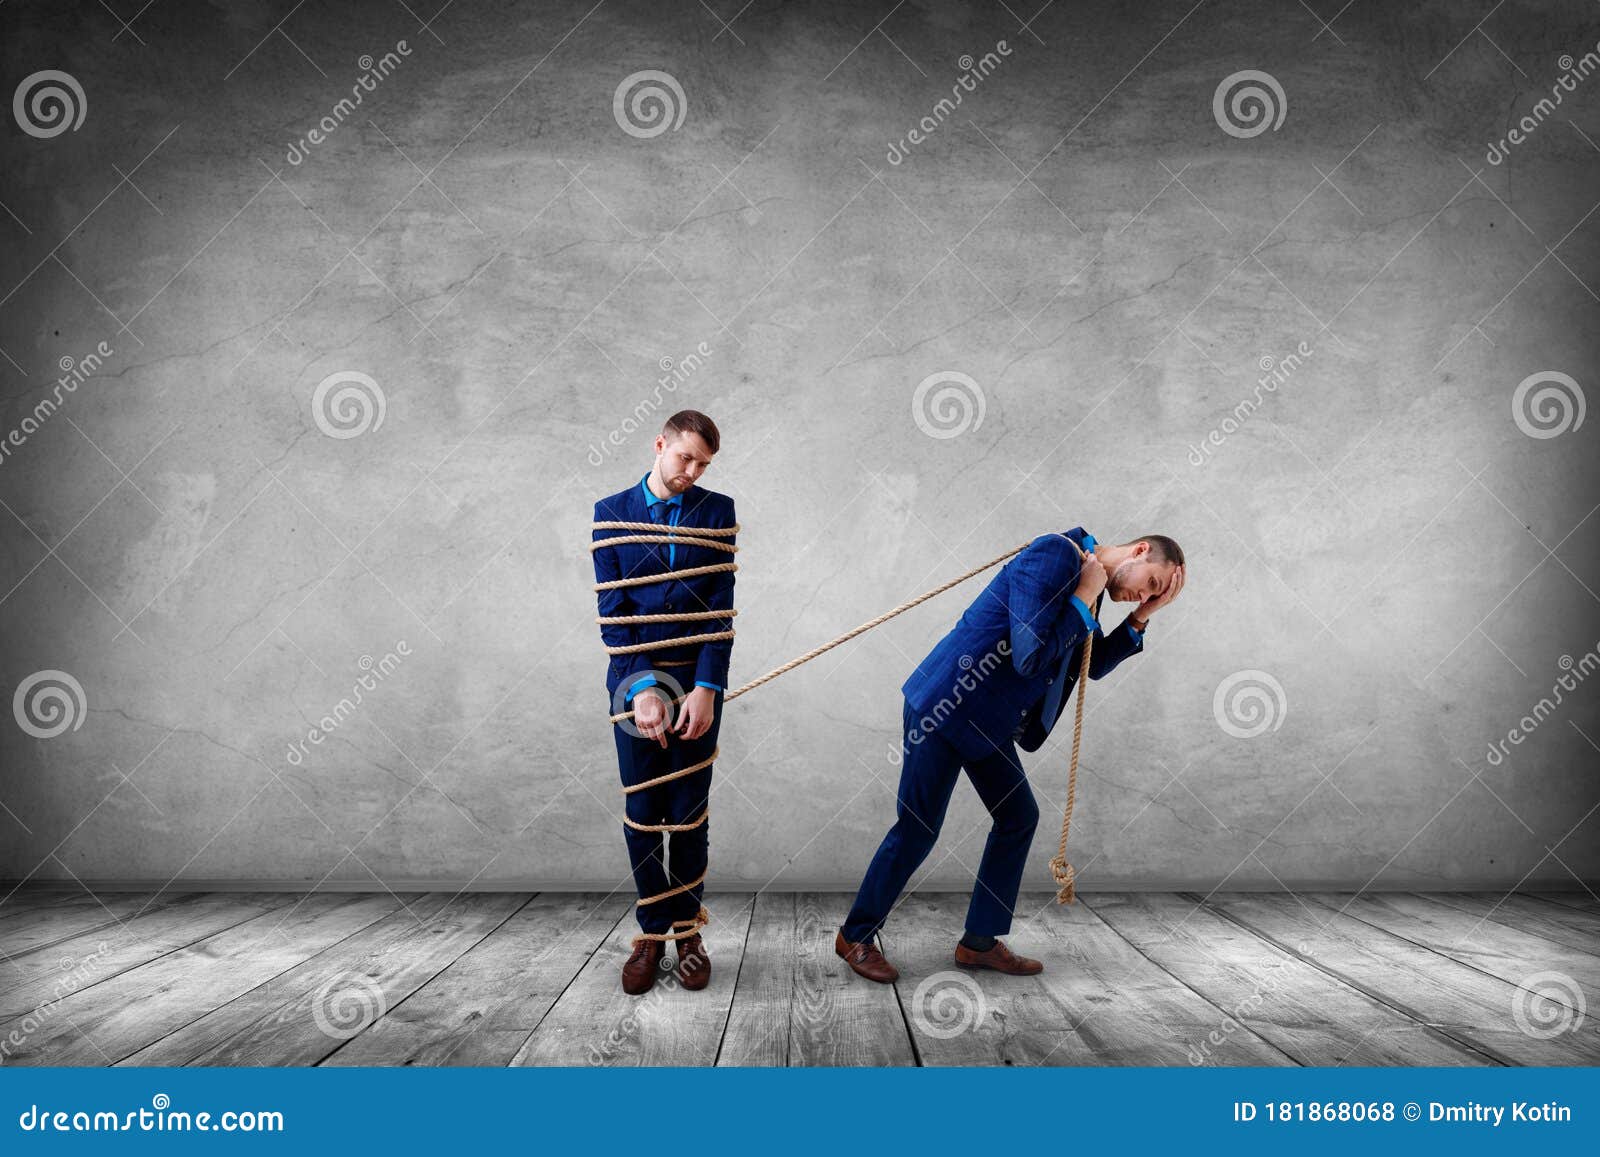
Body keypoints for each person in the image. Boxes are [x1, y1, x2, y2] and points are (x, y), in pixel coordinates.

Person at [835, 528, 1186, 982]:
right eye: (1152, 583)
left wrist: (1142, 615)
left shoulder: (1093, 582)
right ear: (1139, 551)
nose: (1141, 593)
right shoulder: (1056, 556)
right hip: (947, 705)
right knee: (918, 829)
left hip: (987, 722)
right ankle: (855, 936)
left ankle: (978, 942)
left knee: (1019, 816)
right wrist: (1083, 595)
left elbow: (1089, 662)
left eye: (1153, 594)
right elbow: (1029, 656)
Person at [591, 410, 735, 995]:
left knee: (689, 814)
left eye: (703, 463)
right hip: (635, 684)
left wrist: (707, 688)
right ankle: (651, 932)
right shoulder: (610, 513)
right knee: (645, 815)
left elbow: (721, 607)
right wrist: (642, 688)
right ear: (659, 444)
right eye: (685, 458)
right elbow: (613, 615)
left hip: (697, 684)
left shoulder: (717, 511)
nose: (692, 472)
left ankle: (687, 932)